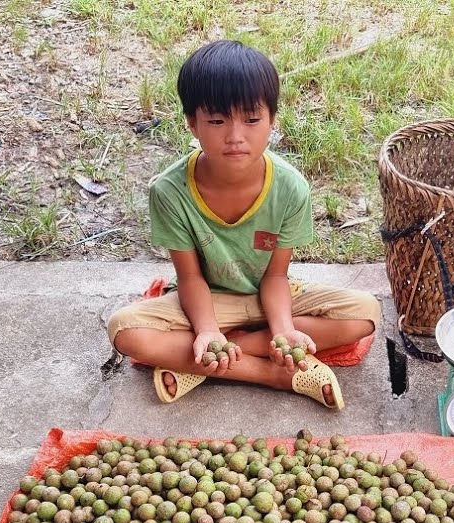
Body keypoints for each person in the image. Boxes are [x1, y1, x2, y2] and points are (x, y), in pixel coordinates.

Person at [107, 40, 381, 410]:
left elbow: (275, 277)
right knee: (124, 330)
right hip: (209, 299)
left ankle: (213, 356)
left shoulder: (290, 187)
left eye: (252, 120)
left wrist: (284, 330)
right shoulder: (170, 191)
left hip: (270, 295)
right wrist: (205, 329)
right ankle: (269, 373)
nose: (235, 136)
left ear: (272, 119)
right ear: (192, 123)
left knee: (365, 313)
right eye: (217, 121)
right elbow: (190, 279)